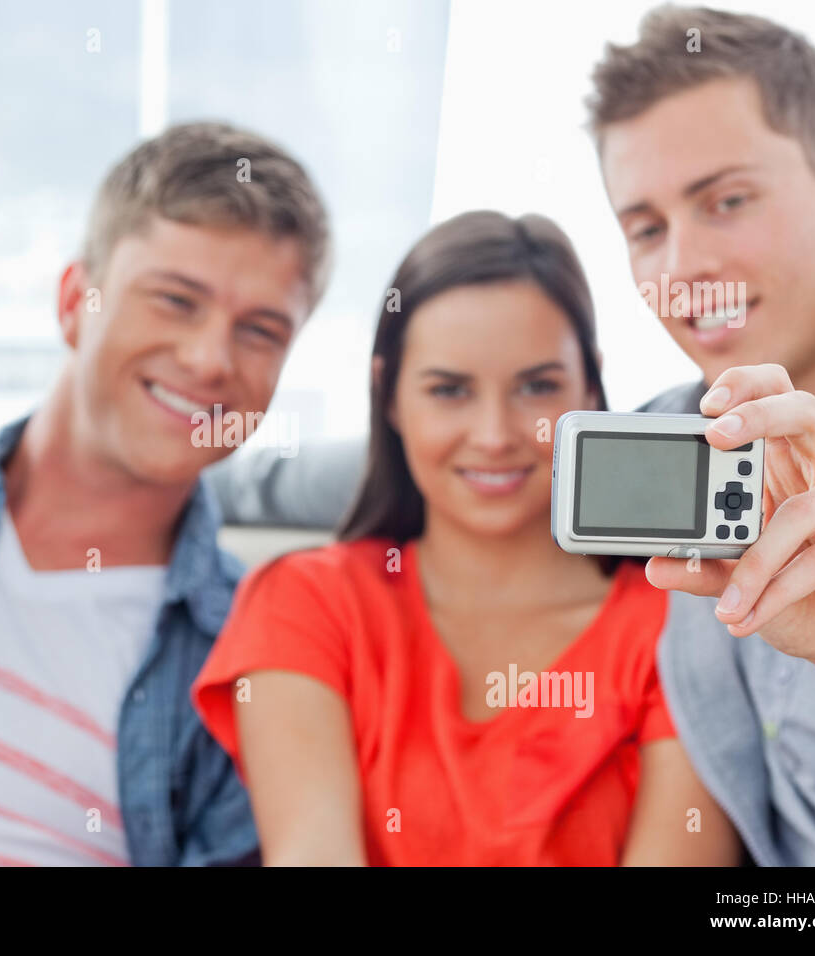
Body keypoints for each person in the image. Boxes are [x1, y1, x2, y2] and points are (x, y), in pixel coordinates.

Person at [205, 5, 815, 865]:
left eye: (728, 200)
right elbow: (446, 460)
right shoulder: (666, 451)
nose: (682, 266)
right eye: (646, 227)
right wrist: (178, 471)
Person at [0, 121, 331, 866]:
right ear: (76, 300)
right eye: (176, 301)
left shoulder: (256, 661)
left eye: (262, 331)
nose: (210, 360)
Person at [192, 210, 740, 865]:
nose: (493, 435)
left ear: (590, 387)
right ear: (389, 397)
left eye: (537, 386)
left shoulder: (677, 622)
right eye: (449, 390)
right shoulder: (305, 605)